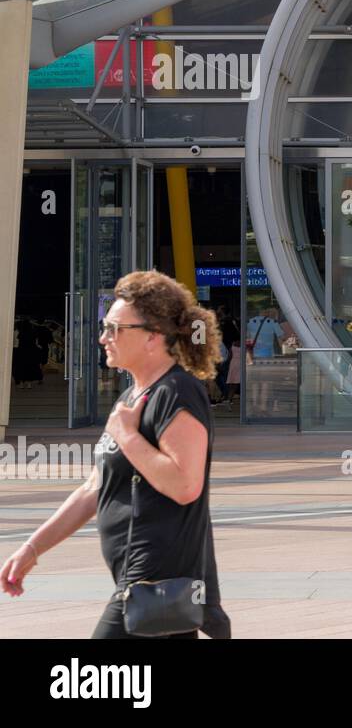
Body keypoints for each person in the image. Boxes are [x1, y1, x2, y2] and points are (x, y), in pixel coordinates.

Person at [2, 271, 224, 639]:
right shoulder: (131, 399)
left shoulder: (176, 393)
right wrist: (32, 548)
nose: (103, 337)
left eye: (115, 328)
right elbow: (94, 488)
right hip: (141, 581)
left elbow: (185, 485)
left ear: (153, 336)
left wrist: (128, 435)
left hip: (154, 580)